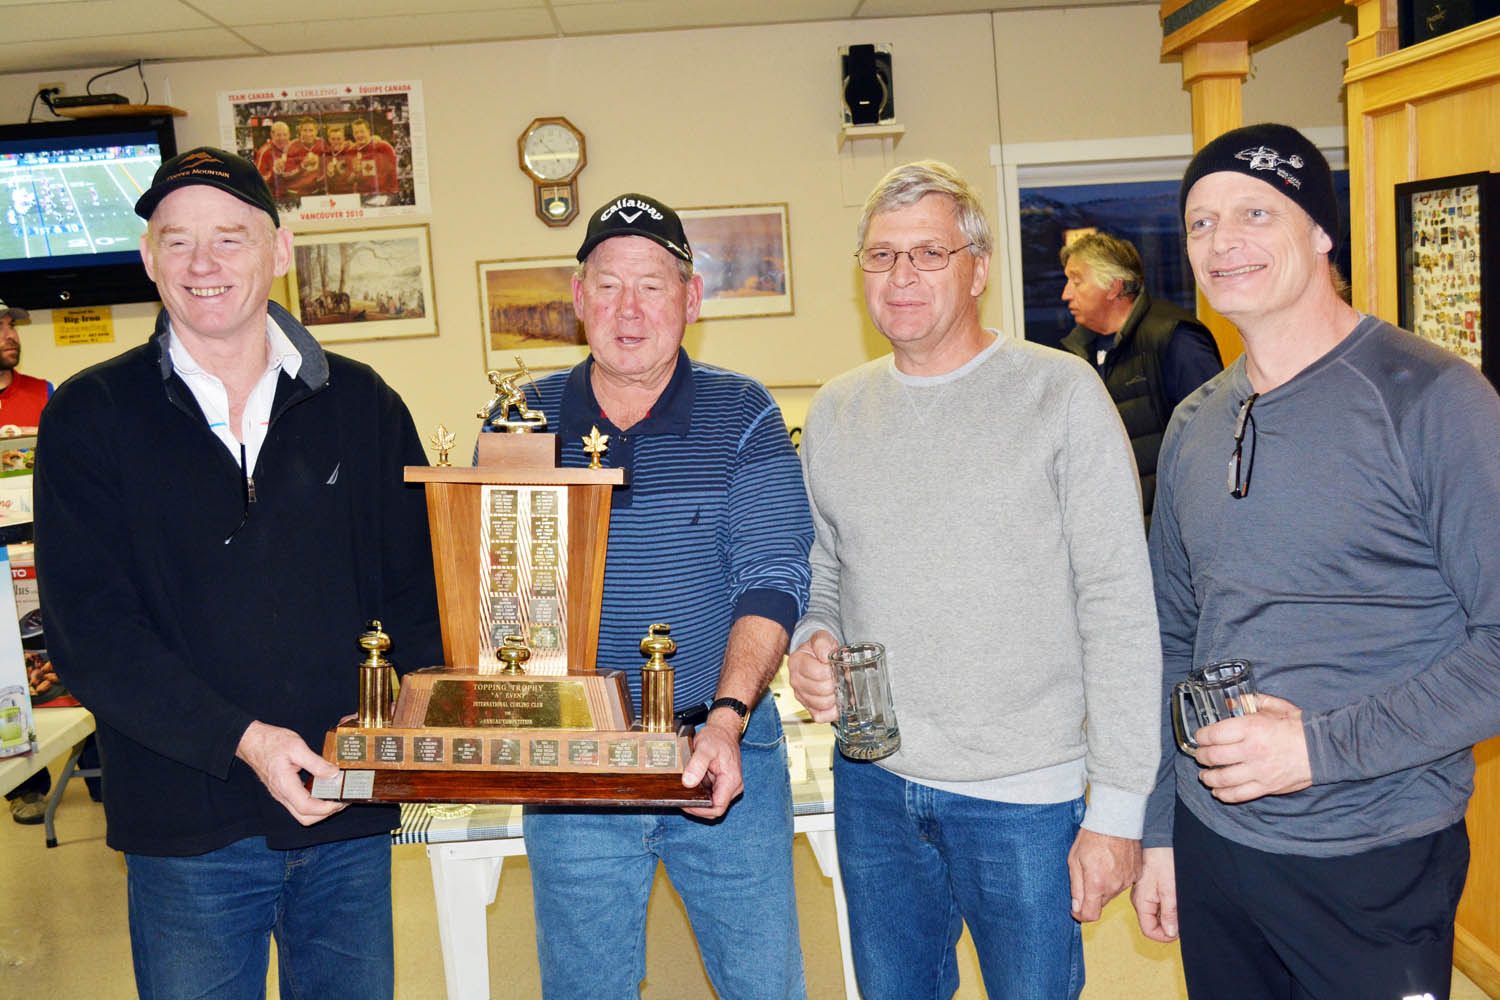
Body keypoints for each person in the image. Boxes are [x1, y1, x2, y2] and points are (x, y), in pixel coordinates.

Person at [33, 147, 441, 999]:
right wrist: (246, 742)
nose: (203, 265)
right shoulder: (89, 415)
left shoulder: (363, 406)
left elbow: (417, 596)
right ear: (148, 260)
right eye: (176, 243)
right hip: (187, 826)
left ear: (280, 251)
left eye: (230, 238)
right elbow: (90, 634)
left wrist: (375, 735)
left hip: (345, 814)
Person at [1131, 123, 1500, 1000]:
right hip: (1215, 849)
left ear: (1321, 231)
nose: (1224, 244)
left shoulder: (1434, 400)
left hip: (1374, 853)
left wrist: (1319, 749)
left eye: (1256, 213)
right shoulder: (1195, 424)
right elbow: (1169, 641)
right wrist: (1160, 831)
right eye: (1202, 223)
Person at [786, 161, 1161, 1000]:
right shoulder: (838, 412)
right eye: (882, 257)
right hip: (875, 785)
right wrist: (814, 639)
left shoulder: (1061, 395)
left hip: (1025, 798)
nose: (902, 275)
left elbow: (1120, 608)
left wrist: (1120, 807)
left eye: (928, 252)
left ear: (979, 268)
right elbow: (823, 570)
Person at [482, 191, 813, 999]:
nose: (629, 311)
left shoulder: (744, 413)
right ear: (577, 298)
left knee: (765, 987)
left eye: (653, 285)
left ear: (691, 300)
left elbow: (772, 575)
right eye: (607, 285)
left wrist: (730, 722)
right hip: (575, 771)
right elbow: (498, 599)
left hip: (721, 755)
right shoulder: (518, 421)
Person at [1057, 232, 1221, 527]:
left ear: (1113, 286)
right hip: (1114, 531)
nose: (1066, 294)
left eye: (1077, 280)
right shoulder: (1076, 358)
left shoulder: (1174, 338)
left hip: (1171, 533)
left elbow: (1214, 439)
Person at [0, 297, 55, 825]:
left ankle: (100, 771)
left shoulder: (44, 393)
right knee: (7, 671)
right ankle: (24, 783)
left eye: (10, 323)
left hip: (42, 552)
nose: (9, 332)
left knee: (64, 653)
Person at [346, 118, 398, 198]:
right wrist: (354, 172)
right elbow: (348, 181)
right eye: (356, 132)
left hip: (383, 194)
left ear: (369, 131)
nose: (359, 135)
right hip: (361, 196)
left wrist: (392, 194)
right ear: (353, 134)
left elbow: (394, 173)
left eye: (362, 131)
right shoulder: (351, 151)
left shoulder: (384, 147)